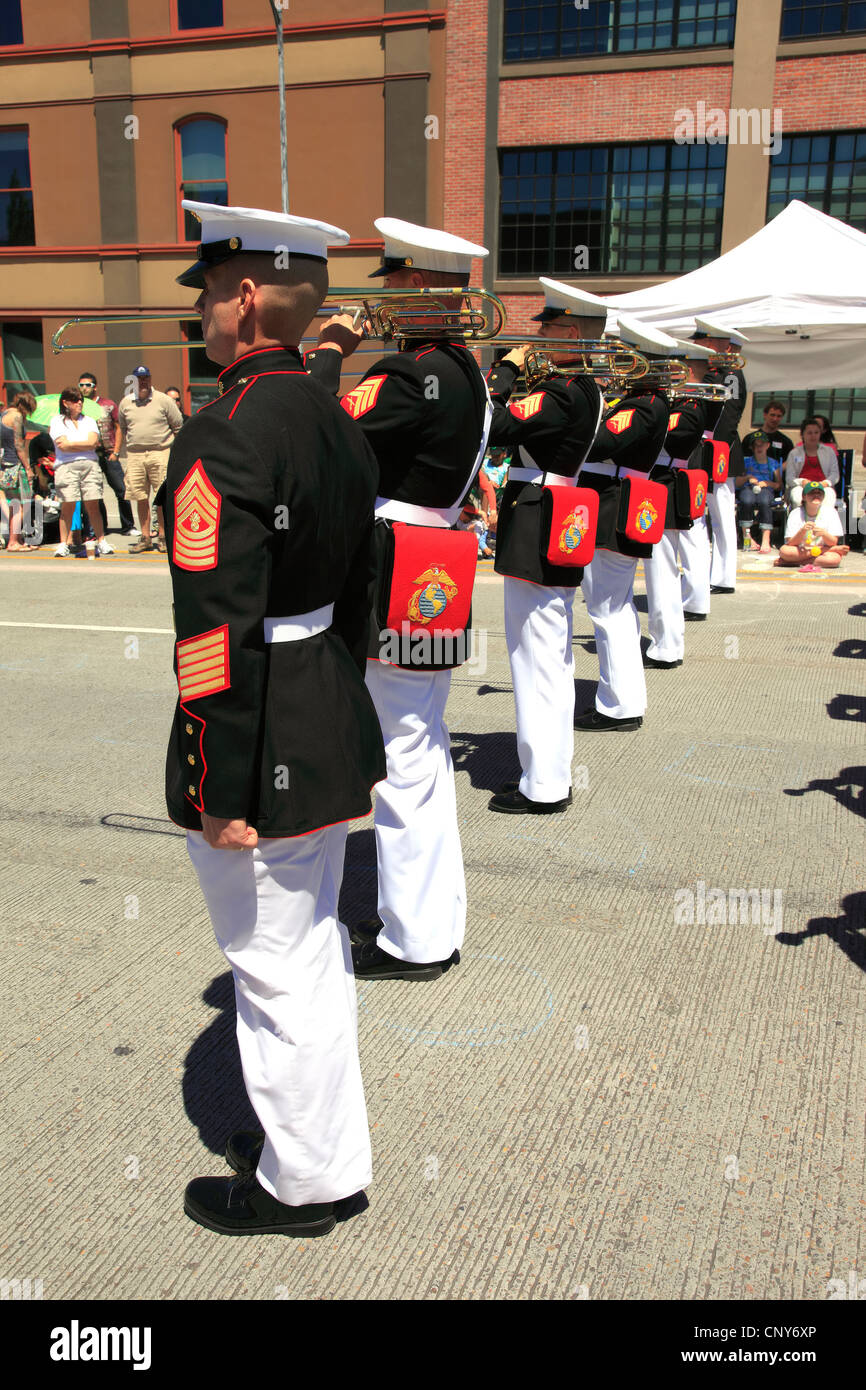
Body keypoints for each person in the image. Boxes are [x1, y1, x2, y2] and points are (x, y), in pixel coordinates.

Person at [166, 200, 386, 1238]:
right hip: (324, 707)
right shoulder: (336, 418)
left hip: (261, 732)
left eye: (209, 292)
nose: (203, 314)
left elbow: (213, 633)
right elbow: (366, 590)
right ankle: (320, 1149)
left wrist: (217, 790)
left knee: (274, 963)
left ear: (244, 297)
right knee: (308, 952)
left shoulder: (227, 429)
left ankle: (304, 1182)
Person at [307, 217, 492, 981]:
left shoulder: (416, 373)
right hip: (433, 554)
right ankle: (432, 922)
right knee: (422, 745)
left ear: (421, 288)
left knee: (401, 755)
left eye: (396, 286)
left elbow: (318, 424)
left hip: (398, 558)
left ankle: (413, 938)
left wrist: (327, 350)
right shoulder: (468, 370)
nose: (382, 301)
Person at [482, 277, 604, 811]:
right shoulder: (588, 388)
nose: (538, 338)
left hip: (538, 519)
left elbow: (494, 425)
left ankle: (544, 784)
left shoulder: (559, 391)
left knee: (535, 655)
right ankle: (549, 774)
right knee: (549, 653)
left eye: (549, 328)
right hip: (558, 514)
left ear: (572, 332)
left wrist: (504, 372)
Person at [574, 314, 678, 731]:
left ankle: (618, 705)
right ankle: (622, 699)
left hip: (613, 507)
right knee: (612, 607)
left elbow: (602, 443)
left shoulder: (643, 405)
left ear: (640, 362)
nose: (616, 364)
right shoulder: (647, 402)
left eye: (625, 357)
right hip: (619, 504)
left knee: (608, 608)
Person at [642, 338, 720, 667]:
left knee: (661, 571)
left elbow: (664, 435)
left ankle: (666, 645)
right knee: (663, 568)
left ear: (685, 370)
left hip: (664, 486)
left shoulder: (690, 404)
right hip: (664, 485)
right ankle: (667, 640)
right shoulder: (684, 401)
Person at [691, 317, 748, 596]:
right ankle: (716, 574)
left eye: (701, 340)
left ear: (715, 343)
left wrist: (716, 452)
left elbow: (728, 417)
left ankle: (725, 576)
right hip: (710, 450)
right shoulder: (714, 373)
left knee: (723, 514)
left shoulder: (731, 375)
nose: (696, 344)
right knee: (709, 512)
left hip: (720, 451)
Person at [115, 365, 183, 552]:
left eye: (146, 378)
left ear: (150, 379)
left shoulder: (164, 400)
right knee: (139, 497)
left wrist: (178, 455)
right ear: (133, 381)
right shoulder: (126, 403)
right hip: (135, 455)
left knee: (161, 497)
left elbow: (178, 427)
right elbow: (122, 428)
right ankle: (145, 537)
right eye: (139, 379)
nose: (143, 382)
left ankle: (163, 537)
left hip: (160, 452)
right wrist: (119, 454)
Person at [48, 387, 115, 557]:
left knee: (93, 504)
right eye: (76, 400)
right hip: (66, 466)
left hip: (89, 465)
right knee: (68, 505)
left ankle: (101, 541)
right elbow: (62, 444)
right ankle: (63, 543)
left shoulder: (89, 421)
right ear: (65, 402)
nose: (80, 403)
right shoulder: (57, 421)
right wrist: (81, 443)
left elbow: (93, 442)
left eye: (81, 400)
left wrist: (73, 443)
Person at [77, 370, 138, 536]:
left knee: (121, 489)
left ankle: (128, 526)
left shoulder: (108, 404)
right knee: (94, 492)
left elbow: (118, 427)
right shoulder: (79, 407)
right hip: (90, 455)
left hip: (109, 453)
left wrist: (117, 451)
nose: (84, 388)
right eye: (81, 385)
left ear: (95, 387)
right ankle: (100, 527)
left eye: (87, 385)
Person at [776, 480, 849, 569]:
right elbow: (791, 543)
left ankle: (792, 562)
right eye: (812, 493)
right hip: (801, 550)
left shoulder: (831, 512)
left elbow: (833, 542)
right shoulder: (795, 513)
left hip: (821, 550)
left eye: (819, 493)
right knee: (785, 551)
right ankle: (804, 560)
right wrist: (802, 531)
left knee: (834, 559)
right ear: (804, 497)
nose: (816, 496)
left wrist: (823, 533)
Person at [735, 429, 782, 554]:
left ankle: (765, 538)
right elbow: (737, 483)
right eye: (756, 444)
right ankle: (747, 537)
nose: (759, 447)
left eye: (762, 444)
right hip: (748, 488)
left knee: (765, 501)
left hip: (765, 489)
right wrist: (748, 477)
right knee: (746, 500)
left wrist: (767, 483)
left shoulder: (773, 464)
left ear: (768, 445)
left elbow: (779, 485)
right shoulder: (745, 462)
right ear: (752, 447)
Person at [0, 390, 37, 551]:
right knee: (20, 505)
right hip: (16, 465)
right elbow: (19, 445)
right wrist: (28, 468)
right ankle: (13, 542)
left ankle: (17, 539)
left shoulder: (4, 414)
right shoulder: (17, 417)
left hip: (5, 464)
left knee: (12, 503)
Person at [785, 417, 840, 507]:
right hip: (801, 487)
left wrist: (825, 483)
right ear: (802, 435)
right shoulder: (794, 453)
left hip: (823, 486)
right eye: (809, 433)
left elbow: (835, 475)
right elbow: (789, 478)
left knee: (829, 498)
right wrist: (802, 482)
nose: (813, 436)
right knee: (797, 498)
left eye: (816, 433)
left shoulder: (829, 452)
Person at [742, 401, 793, 469]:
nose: (775, 419)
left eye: (779, 416)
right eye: (772, 415)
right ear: (765, 415)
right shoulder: (749, 438)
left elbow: (790, 463)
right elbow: (741, 460)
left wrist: (776, 471)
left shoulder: (786, 442)